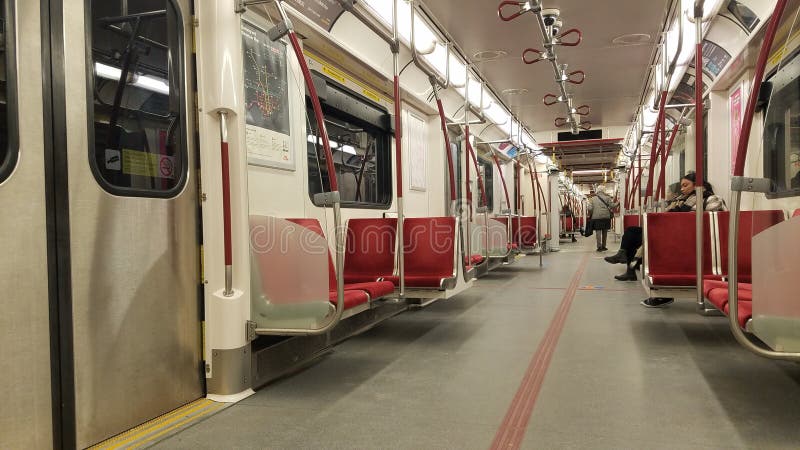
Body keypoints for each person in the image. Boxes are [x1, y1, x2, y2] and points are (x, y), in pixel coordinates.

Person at [603, 172, 725, 308]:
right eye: (681, 186)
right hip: (673, 232)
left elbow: (706, 219)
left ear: (697, 185)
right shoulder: (682, 199)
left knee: (642, 237)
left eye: (686, 185)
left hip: (687, 236)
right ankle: (626, 261)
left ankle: (629, 262)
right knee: (631, 233)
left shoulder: (707, 199)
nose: (683, 189)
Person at [587, 187, 618, 252]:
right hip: (606, 217)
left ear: (597, 191)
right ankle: (604, 246)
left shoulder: (592, 199)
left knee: (598, 232)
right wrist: (618, 203)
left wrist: (593, 211)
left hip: (596, 217)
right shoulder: (607, 197)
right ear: (604, 191)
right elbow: (612, 206)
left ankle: (599, 247)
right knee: (605, 232)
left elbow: (589, 208)